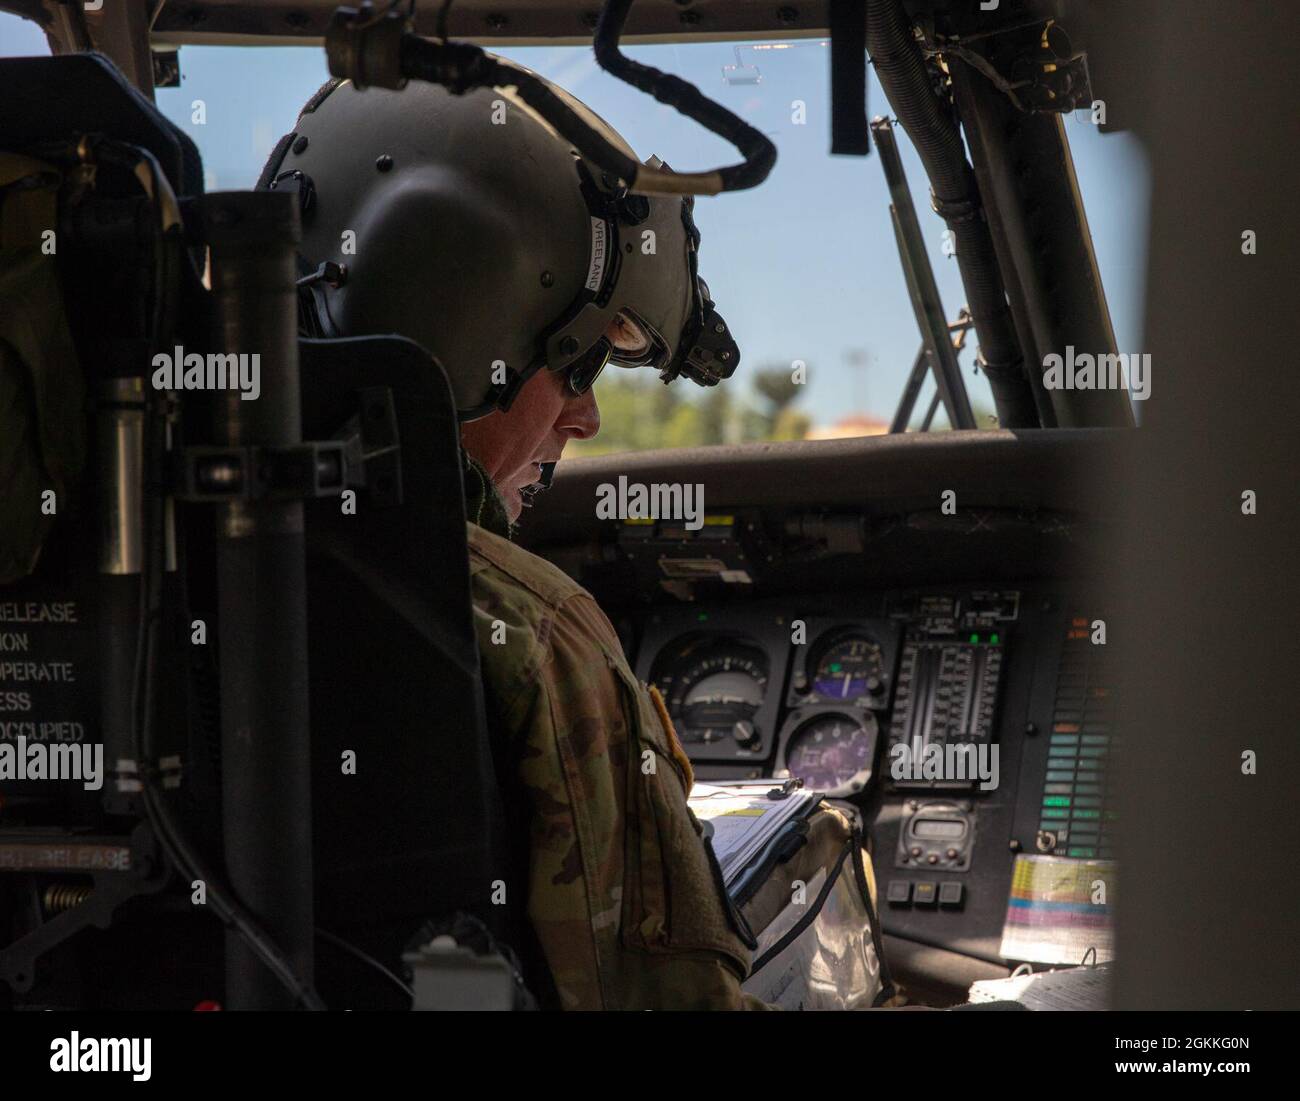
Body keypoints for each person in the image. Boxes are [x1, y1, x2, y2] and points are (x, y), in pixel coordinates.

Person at [261, 61, 770, 1009]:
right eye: (577, 368)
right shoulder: (533, 629)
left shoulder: (129, 543)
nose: (586, 421)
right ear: (472, 326)